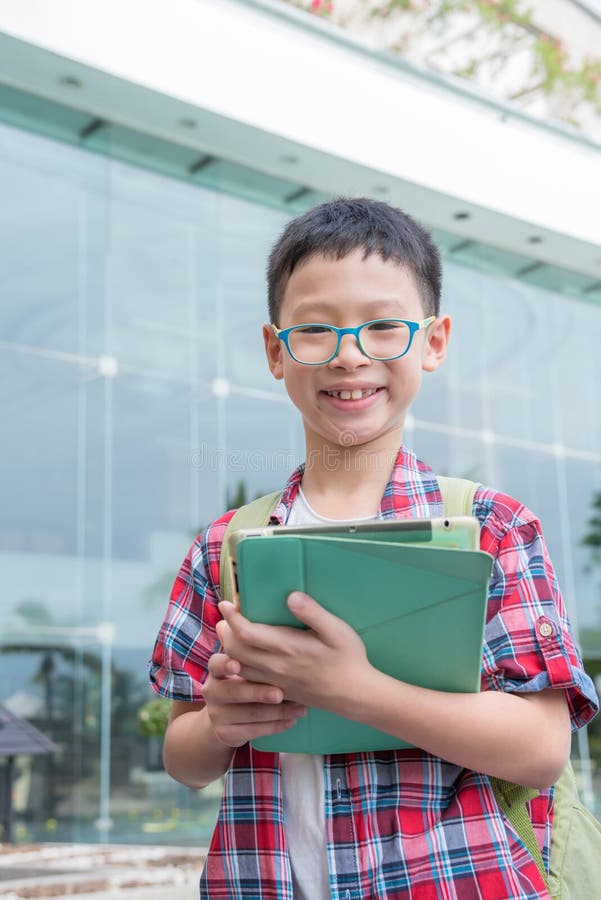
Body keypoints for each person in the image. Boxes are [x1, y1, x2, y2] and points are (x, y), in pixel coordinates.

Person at [149, 198, 599, 900]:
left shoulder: (492, 527)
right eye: (315, 330)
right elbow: (184, 756)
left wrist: (354, 692)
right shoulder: (222, 548)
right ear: (276, 350)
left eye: (383, 327)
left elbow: (540, 751)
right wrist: (219, 723)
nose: (348, 354)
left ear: (433, 341)